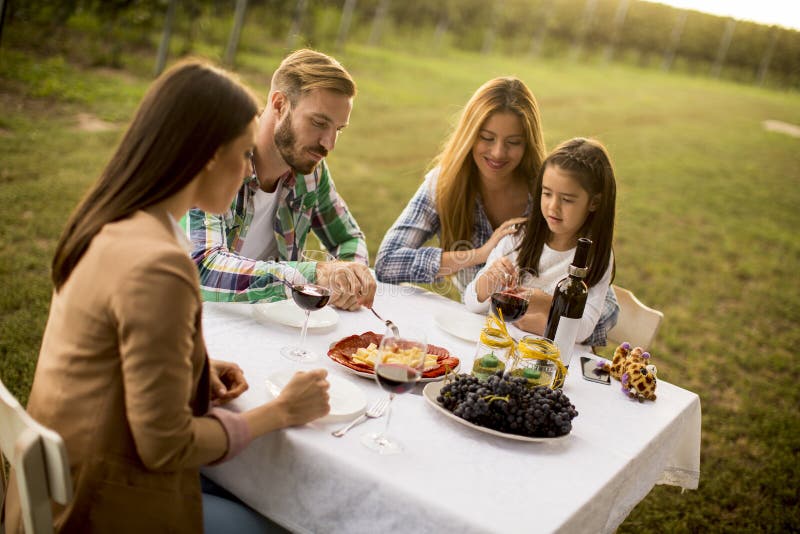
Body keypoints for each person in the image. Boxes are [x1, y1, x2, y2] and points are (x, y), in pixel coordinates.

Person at [3, 60, 330, 534]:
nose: (246, 172)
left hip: (69, 479)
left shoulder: (114, 222)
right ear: (205, 157)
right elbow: (167, 446)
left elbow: (113, 349)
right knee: (287, 521)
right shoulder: (161, 266)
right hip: (101, 507)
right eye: (242, 155)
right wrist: (280, 412)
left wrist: (196, 364)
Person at [182, 48, 375, 311]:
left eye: (338, 129)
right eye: (319, 122)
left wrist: (351, 277)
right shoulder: (216, 159)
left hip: (269, 325)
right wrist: (313, 274)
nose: (329, 144)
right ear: (279, 104)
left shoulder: (312, 171)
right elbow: (202, 268)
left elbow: (348, 237)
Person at [374, 76, 543, 294]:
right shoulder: (445, 184)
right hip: (468, 320)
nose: (498, 152)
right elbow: (387, 262)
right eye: (487, 138)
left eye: (513, 142)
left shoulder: (547, 193)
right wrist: (480, 254)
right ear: (470, 135)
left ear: (527, 143)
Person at [464, 137, 618, 346]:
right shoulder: (517, 237)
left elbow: (582, 330)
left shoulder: (595, 256)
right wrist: (487, 282)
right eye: (547, 194)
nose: (553, 207)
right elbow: (473, 303)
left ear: (594, 202)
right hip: (496, 347)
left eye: (567, 199)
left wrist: (548, 305)